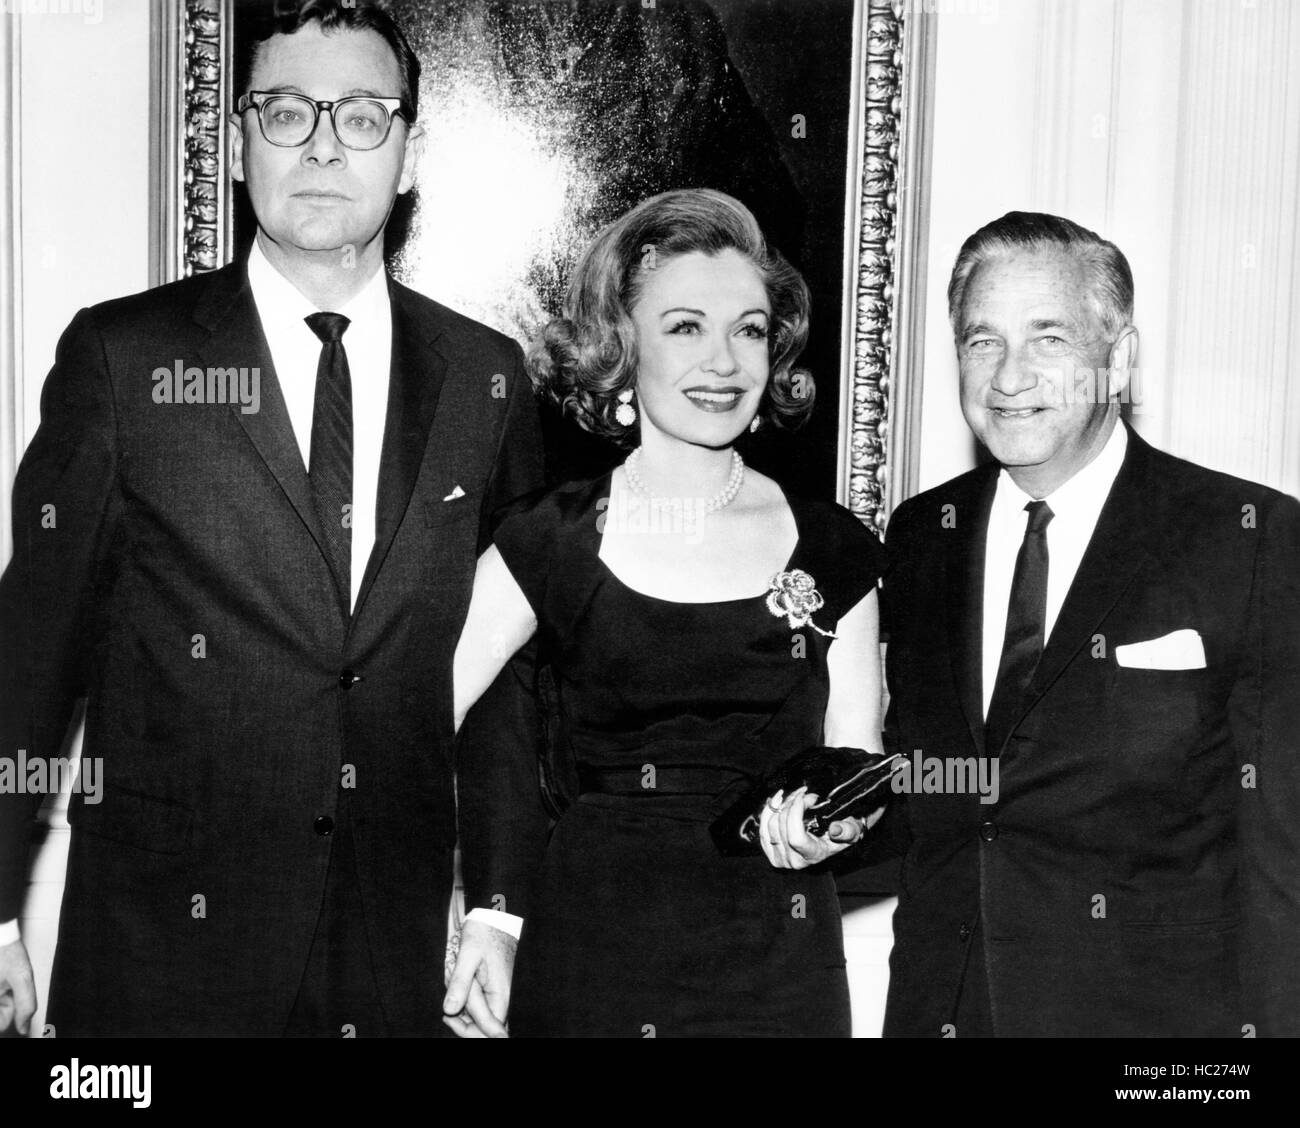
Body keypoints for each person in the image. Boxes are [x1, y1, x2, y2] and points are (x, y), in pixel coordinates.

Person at [0, 0, 540, 1037]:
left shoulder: (485, 378)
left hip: (392, 952)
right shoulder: (126, 361)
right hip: (164, 956)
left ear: (409, 150)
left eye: (363, 116)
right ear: (240, 145)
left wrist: (502, 906)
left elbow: (510, 671)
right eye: (287, 113)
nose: (325, 145)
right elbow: (31, 655)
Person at [446, 188, 887, 1038]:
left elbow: (857, 766)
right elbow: (412, 725)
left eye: (749, 330)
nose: (723, 362)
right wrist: (476, 917)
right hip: (588, 951)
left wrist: (830, 823)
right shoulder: (548, 540)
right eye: (686, 327)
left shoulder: (835, 550)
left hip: (777, 955)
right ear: (621, 344)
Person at [862, 211, 1300, 1036]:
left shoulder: (1246, 538)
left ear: (1119, 359)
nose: (1009, 376)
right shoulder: (922, 537)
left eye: (1049, 338)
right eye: (982, 341)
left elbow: (1285, 858)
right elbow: (941, 791)